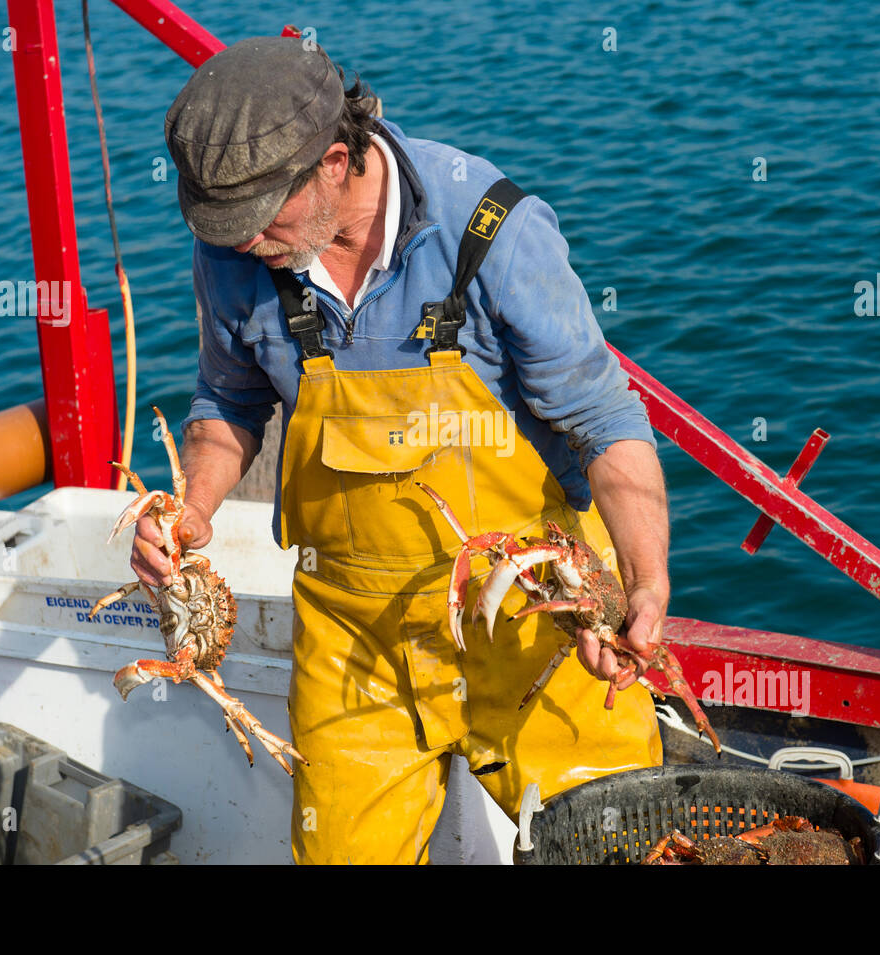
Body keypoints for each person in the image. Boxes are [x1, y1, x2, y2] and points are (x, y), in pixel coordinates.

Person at [136, 36, 669, 863]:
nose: (241, 245)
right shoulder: (234, 256)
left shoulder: (494, 232)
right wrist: (191, 507)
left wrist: (644, 584)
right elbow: (229, 399)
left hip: (536, 623)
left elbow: (605, 421)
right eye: (222, 226)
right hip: (357, 649)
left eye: (255, 221)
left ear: (335, 162)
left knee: (624, 850)